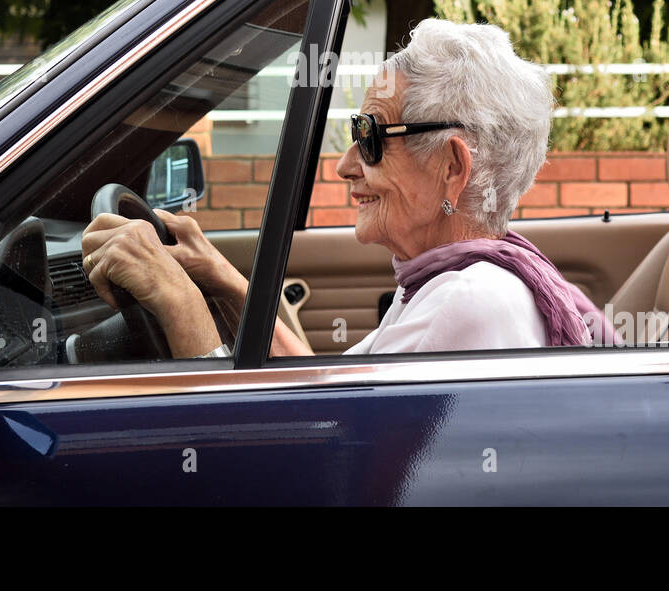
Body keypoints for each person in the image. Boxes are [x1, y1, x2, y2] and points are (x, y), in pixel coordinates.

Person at [80, 18, 613, 358]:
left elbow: (290, 473)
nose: (345, 166)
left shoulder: (467, 303)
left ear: (452, 166)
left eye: (371, 135)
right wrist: (223, 282)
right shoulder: (453, 286)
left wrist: (176, 300)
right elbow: (324, 395)